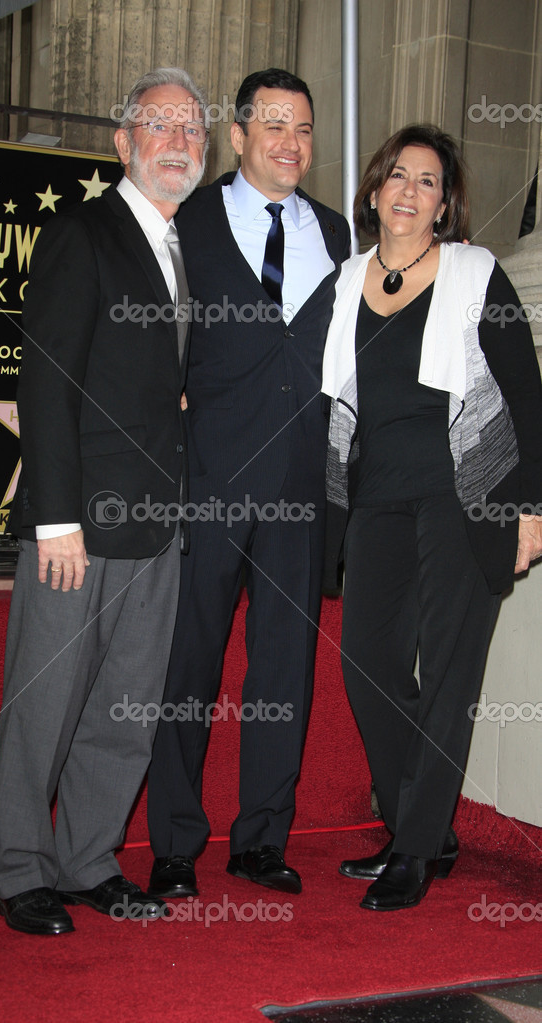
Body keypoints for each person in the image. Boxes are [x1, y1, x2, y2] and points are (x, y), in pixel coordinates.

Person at [0, 67, 208, 935]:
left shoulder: (180, 249)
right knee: (44, 705)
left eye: (192, 128)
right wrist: (55, 518)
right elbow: (45, 380)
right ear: (124, 142)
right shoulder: (82, 232)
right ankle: (20, 870)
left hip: (157, 525)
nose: (178, 141)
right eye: (160, 124)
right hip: (77, 526)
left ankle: (88, 860)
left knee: (127, 707)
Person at [321, 124, 542, 911]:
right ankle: (425, 825)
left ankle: (414, 846)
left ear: (445, 204)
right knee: (366, 663)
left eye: (427, 181)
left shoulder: (476, 273)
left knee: (448, 671)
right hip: (375, 498)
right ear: (375, 189)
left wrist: (530, 510)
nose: (410, 191)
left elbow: (527, 396)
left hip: (465, 496)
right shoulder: (346, 282)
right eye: (398, 176)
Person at [147, 68, 350, 899]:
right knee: (187, 659)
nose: (290, 143)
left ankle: (261, 838)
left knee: (283, 667)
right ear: (237, 137)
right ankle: (173, 842)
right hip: (208, 476)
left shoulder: (337, 233)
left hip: (302, 482)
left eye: (302, 128)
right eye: (273, 125)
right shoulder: (186, 219)